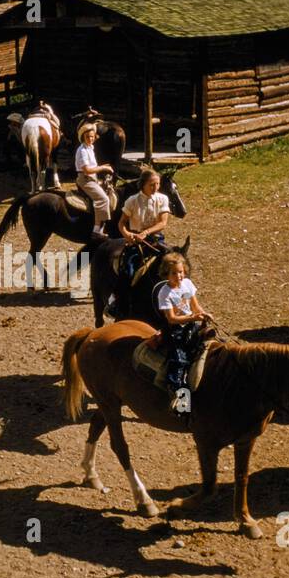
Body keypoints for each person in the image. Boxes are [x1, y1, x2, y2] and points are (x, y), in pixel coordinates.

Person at [111, 169, 171, 317]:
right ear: (143, 184)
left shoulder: (162, 199)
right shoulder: (132, 201)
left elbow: (163, 223)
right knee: (128, 271)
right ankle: (118, 304)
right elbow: (121, 223)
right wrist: (127, 234)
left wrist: (146, 232)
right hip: (136, 241)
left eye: (157, 184)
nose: (155, 187)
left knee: (174, 264)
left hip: (156, 240)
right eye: (152, 184)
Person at [154, 252, 206, 414]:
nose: (179, 276)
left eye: (181, 272)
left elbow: (195, 306)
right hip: (174, 331)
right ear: (166, 274)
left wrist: (204, 315)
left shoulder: (188, 284)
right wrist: (192, 317)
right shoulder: (165, 292)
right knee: (179, 362)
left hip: (191, 326)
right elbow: (172, 319)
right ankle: (180, 402)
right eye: (174, 273)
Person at [75, 122, 114, 241]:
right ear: (83, 137)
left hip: (93, 178)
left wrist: (103, 167)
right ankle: (96, 230)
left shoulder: (90, 148)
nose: (90, 139)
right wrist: (103, 168)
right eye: (87, 137)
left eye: (92, 136)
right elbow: (87, 170)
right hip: (85, 179)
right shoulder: (82, 150)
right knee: (103, 199)